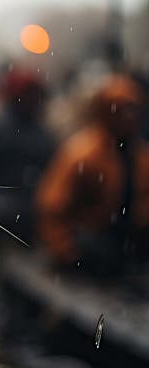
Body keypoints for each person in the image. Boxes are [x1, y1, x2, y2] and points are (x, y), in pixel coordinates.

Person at [36, 74, 149, 273]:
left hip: (127, 241)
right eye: (122, 110)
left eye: (133, 109)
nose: (129, 117)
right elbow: (53, 206)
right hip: (92, 240)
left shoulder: (140, 154)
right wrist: (66, 250)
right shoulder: (82, 153)